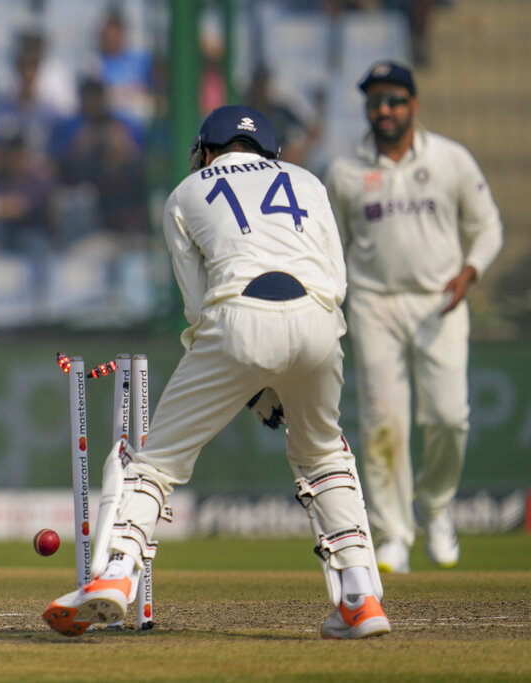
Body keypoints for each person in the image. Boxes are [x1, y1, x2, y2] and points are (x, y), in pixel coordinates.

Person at [43, 105, 390, 640]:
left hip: (236, 317)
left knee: (157, 461)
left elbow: (198, 306)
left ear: (207, 150)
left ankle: (114, 577)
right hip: (321, 321)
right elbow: (336, 279)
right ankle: (362, 599)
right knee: (322, 453)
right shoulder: (307, 180)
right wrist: (281, 371)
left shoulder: (186, 194)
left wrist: (247, 372)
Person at [324, 61, 503, 574]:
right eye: (375, 101)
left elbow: (488, 227)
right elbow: (329, 244)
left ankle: (437, 506)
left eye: (394, 100)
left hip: (440, 300)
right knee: (385, 424)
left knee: (449, 417)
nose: (384, 110)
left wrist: (469, 272)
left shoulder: (451, 160)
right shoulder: (345, 171)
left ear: (413, 105)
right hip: (374, 303)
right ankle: (393, 532)